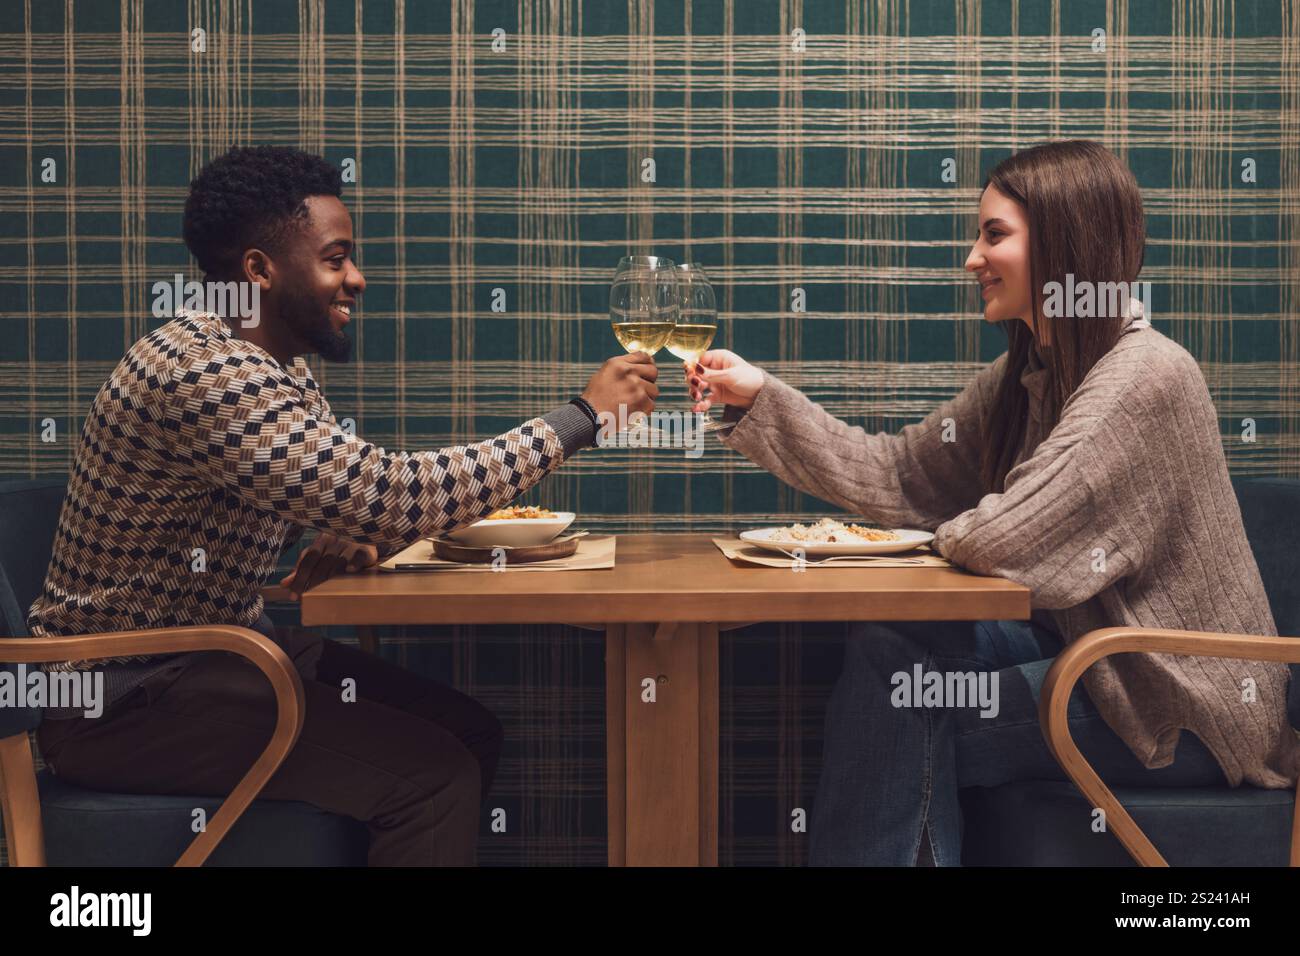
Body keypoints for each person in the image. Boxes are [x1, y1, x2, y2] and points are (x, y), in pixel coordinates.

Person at [30, 145, 658, 866]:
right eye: (335, 258)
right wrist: (581, 418)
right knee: (432, 781)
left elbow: (338, 495)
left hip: (217, 660)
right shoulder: (205, 373)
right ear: (259, 270)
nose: (355, 278)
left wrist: (355, 534)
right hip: (128, 702)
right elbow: (386, 495)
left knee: (468, 731)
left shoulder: (273, 364)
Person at [686, 139, 1300, 865]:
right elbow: (899, 475)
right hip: (1096, 654)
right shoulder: (1030, 371)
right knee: (892, 649)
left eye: (994, 235)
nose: (971, 259)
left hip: (1180, 697)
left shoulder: (1146, 379)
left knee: (912, 702)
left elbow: (999, 541)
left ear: (1067, 245)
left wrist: (944, 533)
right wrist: (762, 397)